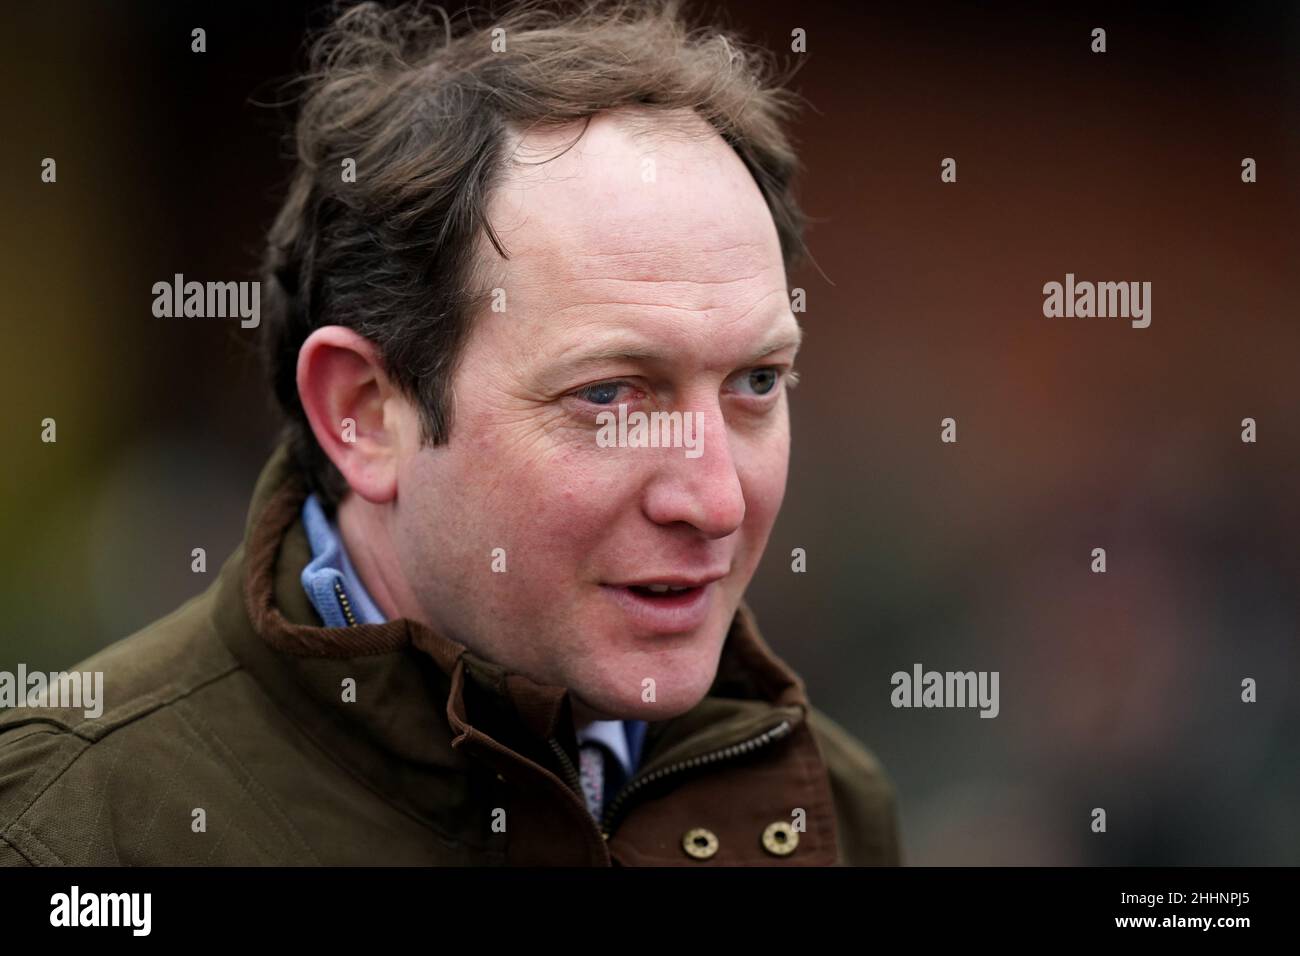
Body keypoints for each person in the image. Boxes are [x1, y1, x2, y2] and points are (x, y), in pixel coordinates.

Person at [0, 0, 899, 866]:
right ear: (363, 413)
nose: (715, 500)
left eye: (755, 382)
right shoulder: (73, 831)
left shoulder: (826, 811)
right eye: (610, 396)